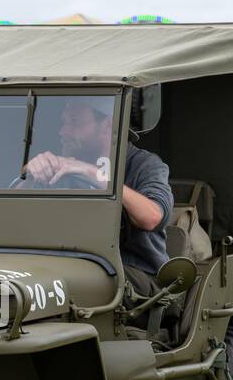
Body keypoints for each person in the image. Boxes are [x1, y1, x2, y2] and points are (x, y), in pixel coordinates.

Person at [22, 97, 172, 295]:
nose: (63, 132)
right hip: (70, 265)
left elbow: (152, 217)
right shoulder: (63, 164)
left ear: (108, 125)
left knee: (73, 283)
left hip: (136, 277)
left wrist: (89, 172)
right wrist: (31, 171)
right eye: (64, 122)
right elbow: (15, 212)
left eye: (74, 122)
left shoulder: (145, 165)